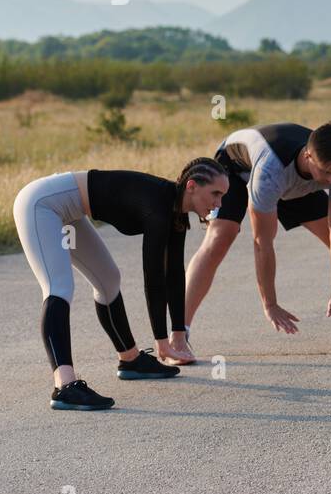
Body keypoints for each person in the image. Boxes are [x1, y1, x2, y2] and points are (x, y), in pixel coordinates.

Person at [179, 121, 331, 357]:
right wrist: (271, 304)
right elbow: (262, 243)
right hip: (236, 169)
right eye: (327, 172)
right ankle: (179, 333)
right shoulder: (269, 172)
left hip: (296, 182)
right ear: (309, 156)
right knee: (222, 236)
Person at [12, 158, 228, 410]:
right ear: (192, 186)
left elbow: (174, 274)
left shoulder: (175, 212)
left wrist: (177, 333)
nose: (219, 203)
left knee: (108, 278)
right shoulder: (159, 206)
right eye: (215, 193)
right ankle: (64, 385)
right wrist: (161, 342)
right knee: (58, 287)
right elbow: (154, 275)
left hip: (68, 212)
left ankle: (130, 360)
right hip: (42, 204)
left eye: (222, 196)